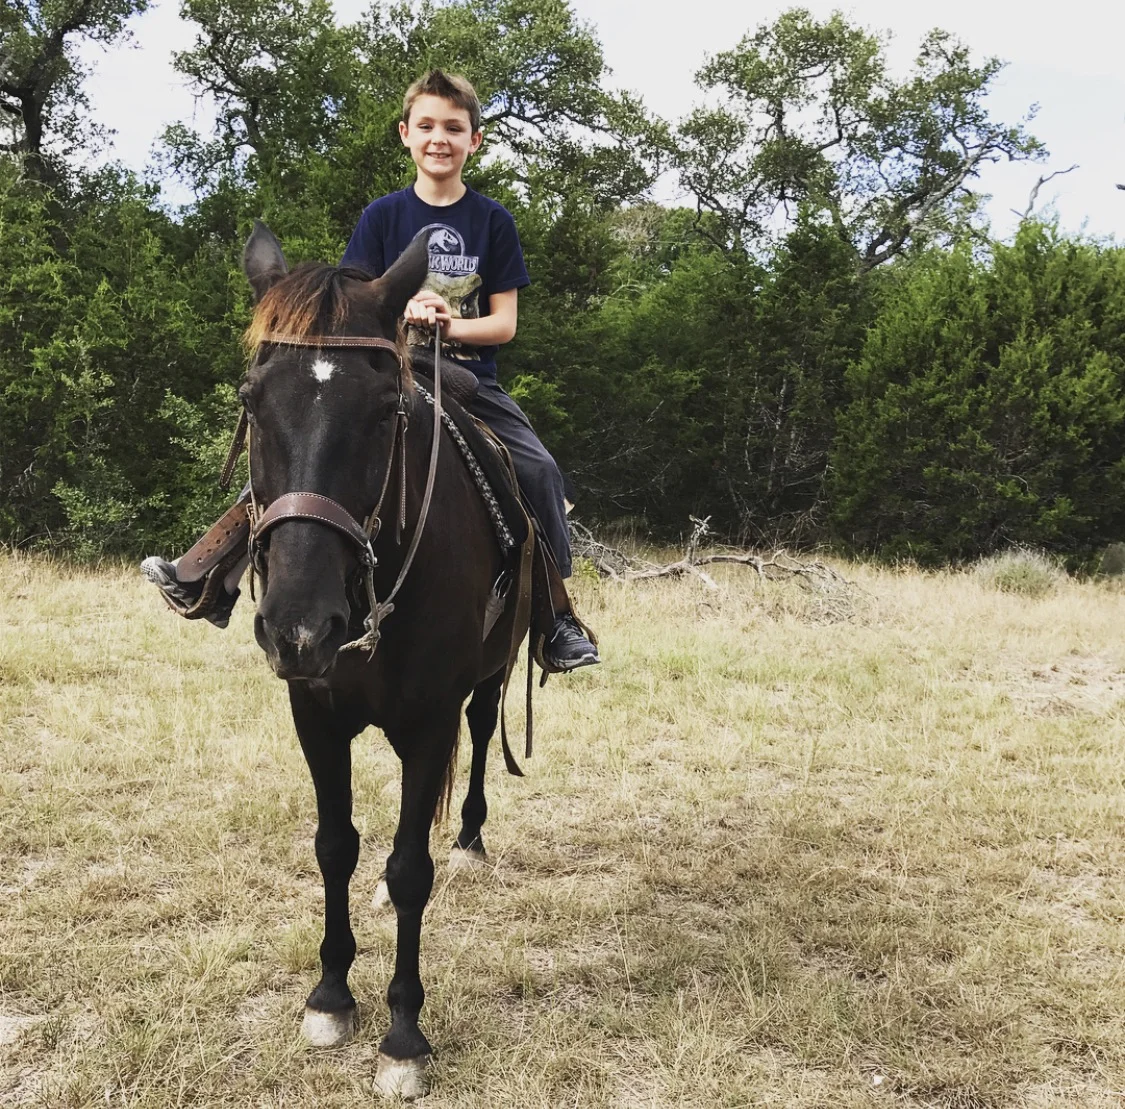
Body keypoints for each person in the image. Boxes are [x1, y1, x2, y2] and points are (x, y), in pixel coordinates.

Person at [142, 69, 598, 671]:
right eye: (428, 126)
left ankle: (556, 617)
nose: (441, 138)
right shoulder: (383, 217)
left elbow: (504, 324)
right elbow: (350, 305)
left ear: (474, 141)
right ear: (406, 134)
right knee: (306, 452)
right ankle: (211, 574)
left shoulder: (493, 222)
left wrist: (446, 324)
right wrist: (400, 312)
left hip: (471, 379)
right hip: (391, 370)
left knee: (538, 469)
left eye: (454, 128)